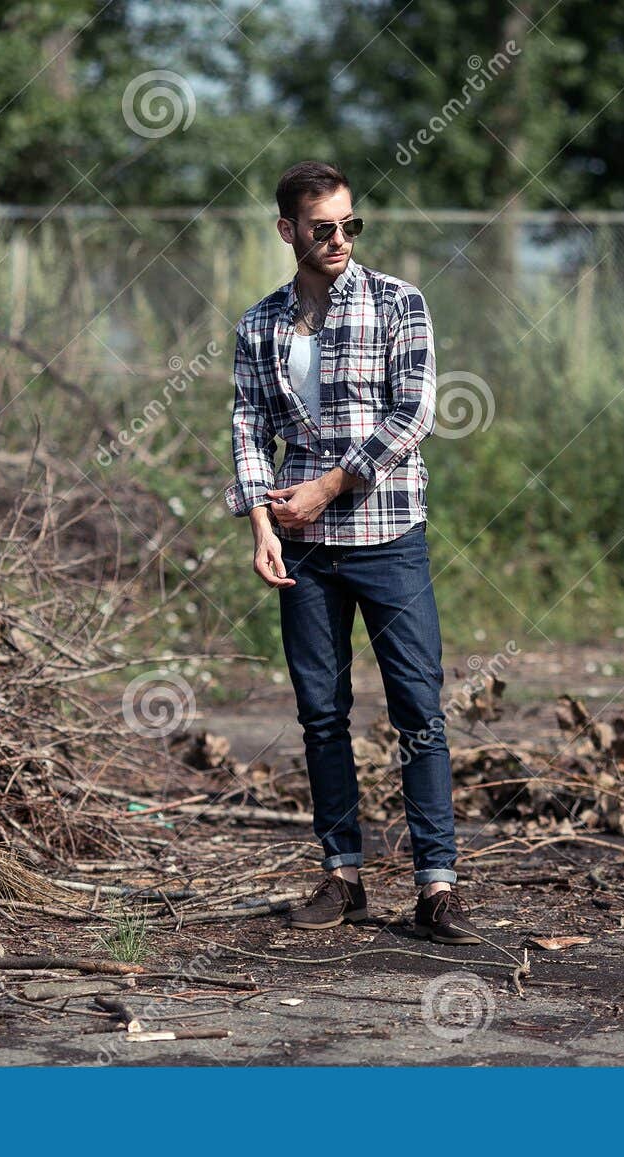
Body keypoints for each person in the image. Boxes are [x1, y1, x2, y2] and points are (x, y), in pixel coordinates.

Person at [223, 160, 482, 945]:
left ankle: (438, 886)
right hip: (300, 547)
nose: (339, 239)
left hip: (388, 535)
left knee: (417, 708)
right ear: (288, 231)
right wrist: (263, 525)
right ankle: (343, 877)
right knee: (321, 714)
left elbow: (415, 414)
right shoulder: (260, 325)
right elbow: (247, 427)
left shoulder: (400, 303)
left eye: (350, 225)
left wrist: (330, 486)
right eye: (323, 227)